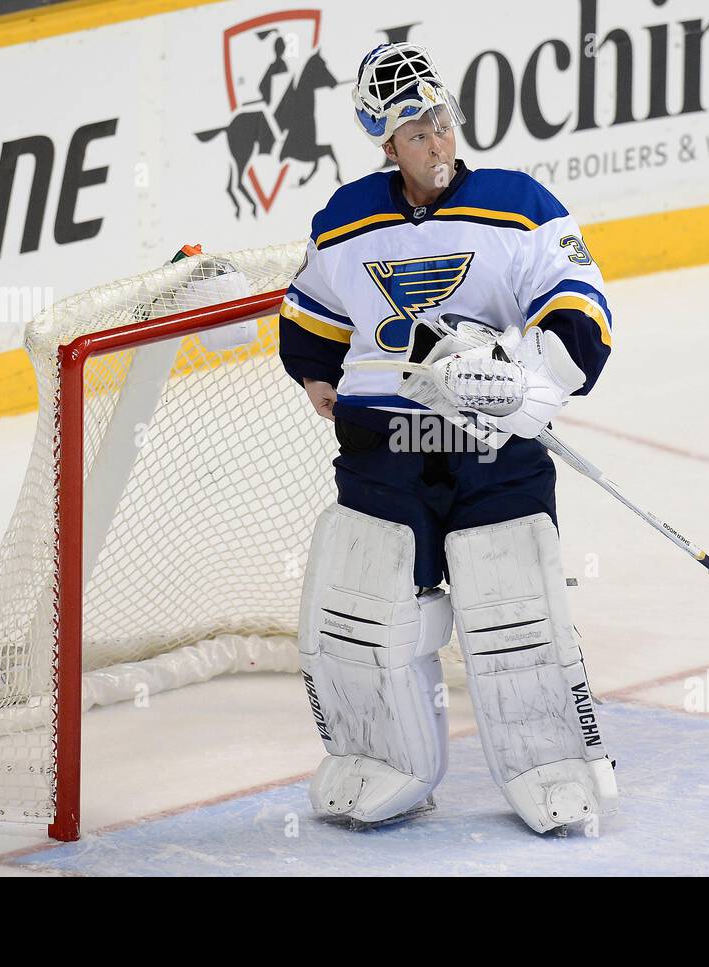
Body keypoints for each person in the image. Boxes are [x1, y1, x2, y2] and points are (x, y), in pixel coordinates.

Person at [278, 42, 617, 834]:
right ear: (386, 145)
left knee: (514, 606)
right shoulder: (345, 218)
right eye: (415, 134)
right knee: (362, 607)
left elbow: (583, 309)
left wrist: (525, 381)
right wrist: (315, 369)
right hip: (381, 444)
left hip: (490, 446)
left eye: (440, 125)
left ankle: (551, 763)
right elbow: (311, 311)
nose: (435, 144)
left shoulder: (519, 202)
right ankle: (384, 759)